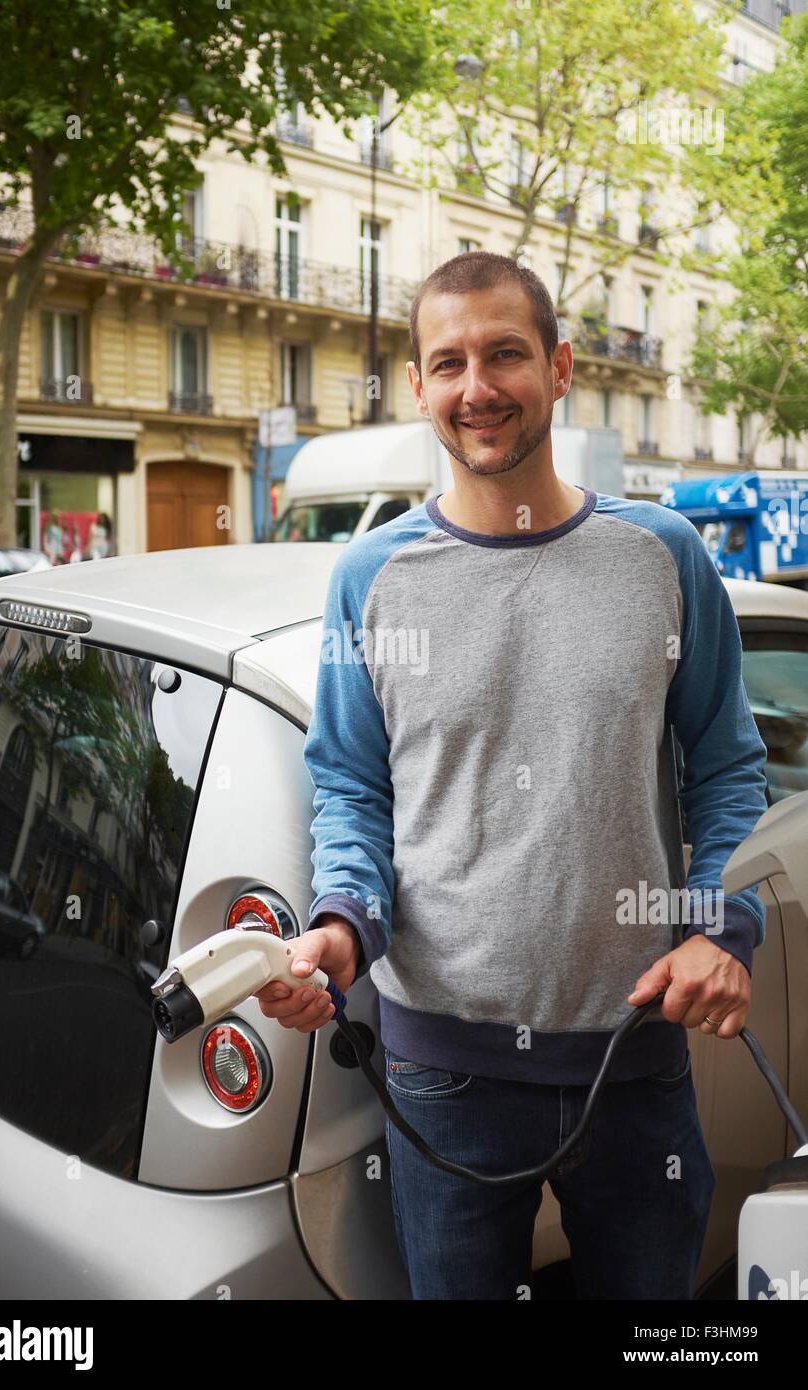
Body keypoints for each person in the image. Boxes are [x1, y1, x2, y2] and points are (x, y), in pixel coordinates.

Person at [254, 251, 768, 1301]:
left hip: (634, 1053)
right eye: (447, 362)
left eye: (503, 353)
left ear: (560, 366)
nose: (475, 386)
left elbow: (725, 767)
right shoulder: (371, 578)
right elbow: (352, 788)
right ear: (417, 388)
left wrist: (720, 926)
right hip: (441, 1071)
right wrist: (338, 932)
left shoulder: (663, 556)